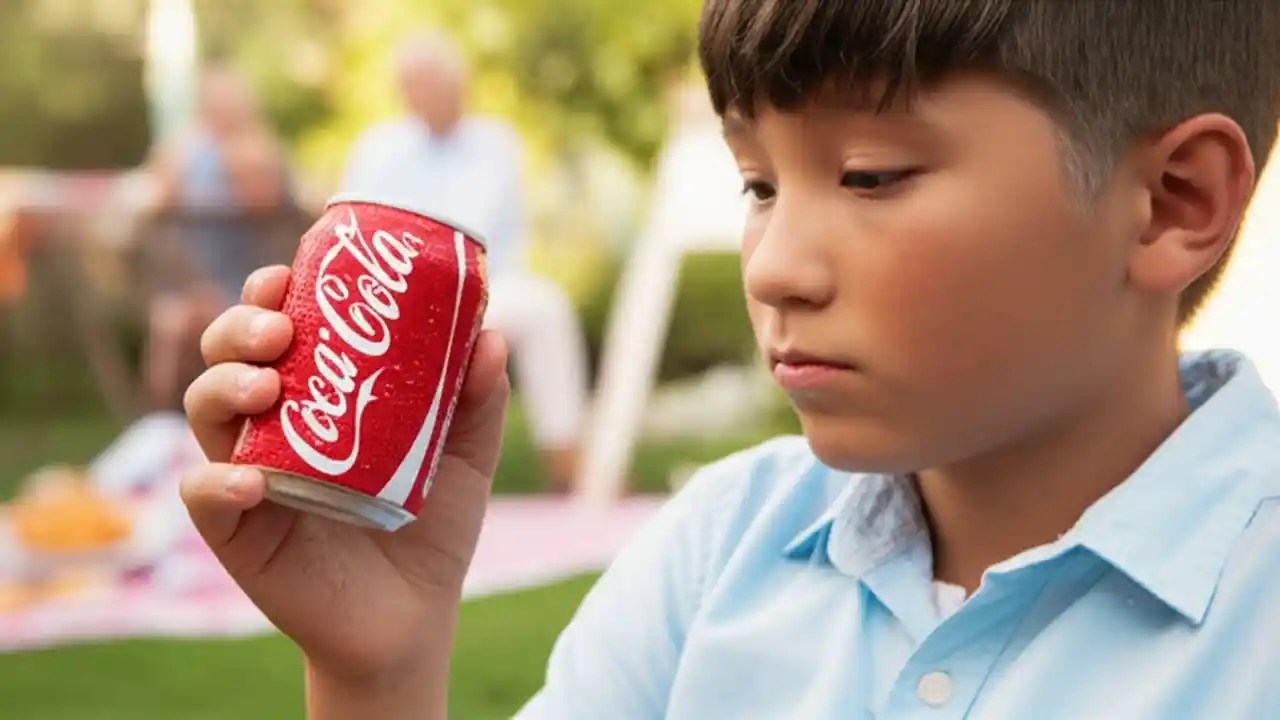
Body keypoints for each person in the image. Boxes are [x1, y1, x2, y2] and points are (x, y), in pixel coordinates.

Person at [180, 1, 1280, 717]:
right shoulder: (719, 550)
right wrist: (378, 671)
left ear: (1167, 204)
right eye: (757, 184)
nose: (771, 269)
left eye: (868, 176)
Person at [341, 32, 588, 493]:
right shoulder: (378, 148)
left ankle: (565, 464)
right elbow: (356, 231)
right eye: (415, 84)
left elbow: (490, 236)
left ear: (460, 86)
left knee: (547, 308)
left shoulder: (497, 144)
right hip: (398, 294)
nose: (425, 94)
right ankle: (368, 469)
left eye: (434, 82)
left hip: (486, 287)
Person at [142, 64, 290, 410]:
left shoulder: (260, 149)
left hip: (250, 282)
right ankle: (160, 421)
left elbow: (266, 205)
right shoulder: (185, 151)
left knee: (235, 327)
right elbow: (158, 210)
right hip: (193, 281)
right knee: (170, 324)